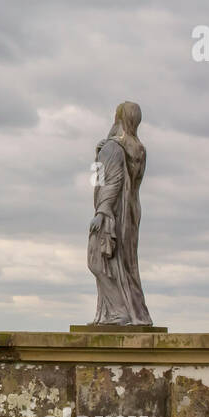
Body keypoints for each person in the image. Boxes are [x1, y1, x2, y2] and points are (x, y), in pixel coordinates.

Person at [88, 101, 153, 326]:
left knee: (98, 261)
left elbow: (110, 181)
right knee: (126, 265)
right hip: (132, 212)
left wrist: (102, 210)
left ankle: (118, 312)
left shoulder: (114, 147)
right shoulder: (140, 148)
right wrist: (100, 155)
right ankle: (135, 312)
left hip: (112, 212)